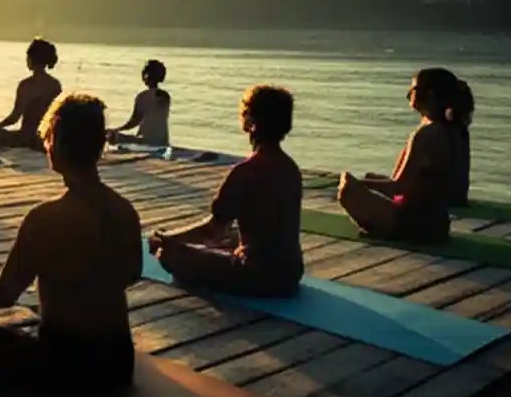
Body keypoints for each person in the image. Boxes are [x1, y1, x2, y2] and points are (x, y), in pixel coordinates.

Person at [0, 93, 141, 394]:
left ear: (54, 144)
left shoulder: (44, 219)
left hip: (64, 366)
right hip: (117, 365)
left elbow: (3, 295)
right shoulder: (126, 211)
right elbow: (131, 274)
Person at [148, 85, 302, 297]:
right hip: (291, 274)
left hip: (258, 276)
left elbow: (213, 230)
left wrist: (167, 237)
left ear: (250, 122)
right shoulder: (291, 169)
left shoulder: (246, 171)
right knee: (233, 236)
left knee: (168, 253)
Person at [339, 68, 472, 242]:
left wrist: (361, 185)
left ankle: (384, 229)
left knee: (347, 188)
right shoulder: (455, 130)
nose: (408, 94)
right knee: (369, 179)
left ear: (430, 93)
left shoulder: (426, 134)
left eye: (414, 89)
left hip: (414, 224)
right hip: (438, 223)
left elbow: (399, 188)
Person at [0, 38, 62, 151]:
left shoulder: (26, 85)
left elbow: (14, 118)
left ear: (33, 59)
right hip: (46, 137)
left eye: (28, 57)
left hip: (26, 137)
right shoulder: (55, 84)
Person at [107, 59, 171, 147]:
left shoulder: (142, 97)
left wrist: (117, 129)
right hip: (162, 142)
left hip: (145, 141)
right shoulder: (165, 96)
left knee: (110, 135)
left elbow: (134, 121)